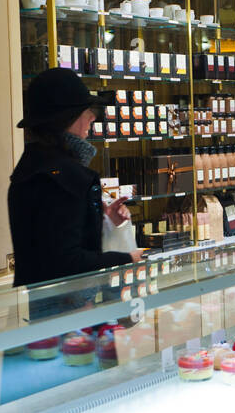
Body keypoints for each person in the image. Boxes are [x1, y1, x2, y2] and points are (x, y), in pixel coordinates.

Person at [9, 68, 143, 287]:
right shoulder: (65, 178)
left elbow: (49, 244)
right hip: (65, 306)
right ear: (66, 118)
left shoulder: (31, 167)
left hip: (38, 303)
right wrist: (128, 258)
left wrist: (101, 219)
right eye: (86, 110)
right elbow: (66, 261)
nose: (92, 116)